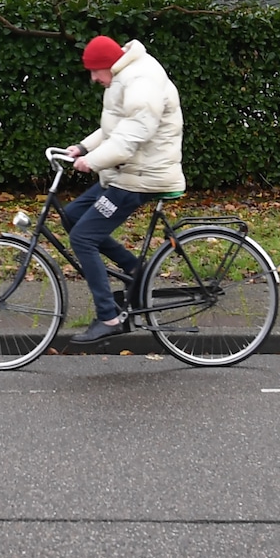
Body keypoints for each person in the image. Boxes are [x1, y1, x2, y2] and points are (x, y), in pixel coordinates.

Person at [59, 33, 185, 344]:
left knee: (83, 237)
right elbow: (115, 128)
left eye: (94, 71)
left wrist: (93, 162)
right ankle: (136, 270)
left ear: (109, 65)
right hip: (126, 172)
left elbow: (132, 136)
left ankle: (109, 317)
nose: (93, 78)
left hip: (142, 176)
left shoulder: (140, 82)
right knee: (72, 216)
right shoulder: (123, 76)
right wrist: (82, 148)